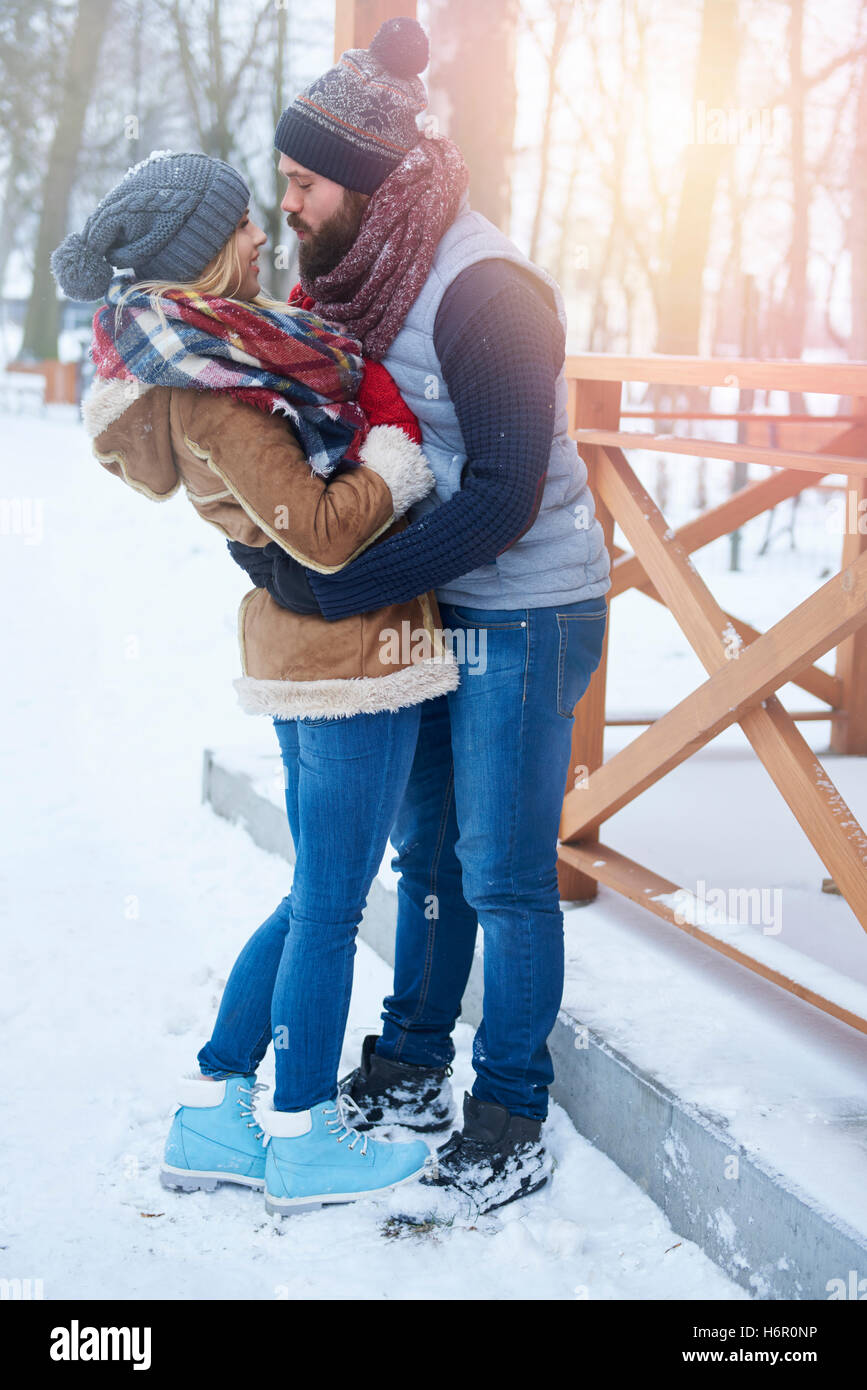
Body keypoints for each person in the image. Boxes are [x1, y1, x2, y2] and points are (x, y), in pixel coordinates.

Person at [229, 16, 613, 1216]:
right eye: (284, 179)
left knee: (503, 871)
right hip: (430, 599)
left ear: (367, 182)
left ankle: (511, 1106)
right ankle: (409, 1064)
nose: (285, 201)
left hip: (528, 603)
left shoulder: (488, 290)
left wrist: (340, 585)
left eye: (301, 181)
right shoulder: (349, 277)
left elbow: (500, 491)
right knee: (429, 854)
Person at [51, 149, 461, 1216]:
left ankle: (217, 1103)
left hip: (308, 653)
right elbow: (323, 533)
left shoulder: (226, 354)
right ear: (203, 255)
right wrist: (394, 456)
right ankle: (300, 1133)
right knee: (329, 910)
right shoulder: (216, 392)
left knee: (312, 896)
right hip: (342, 665)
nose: (262, 238)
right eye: (243, 225)